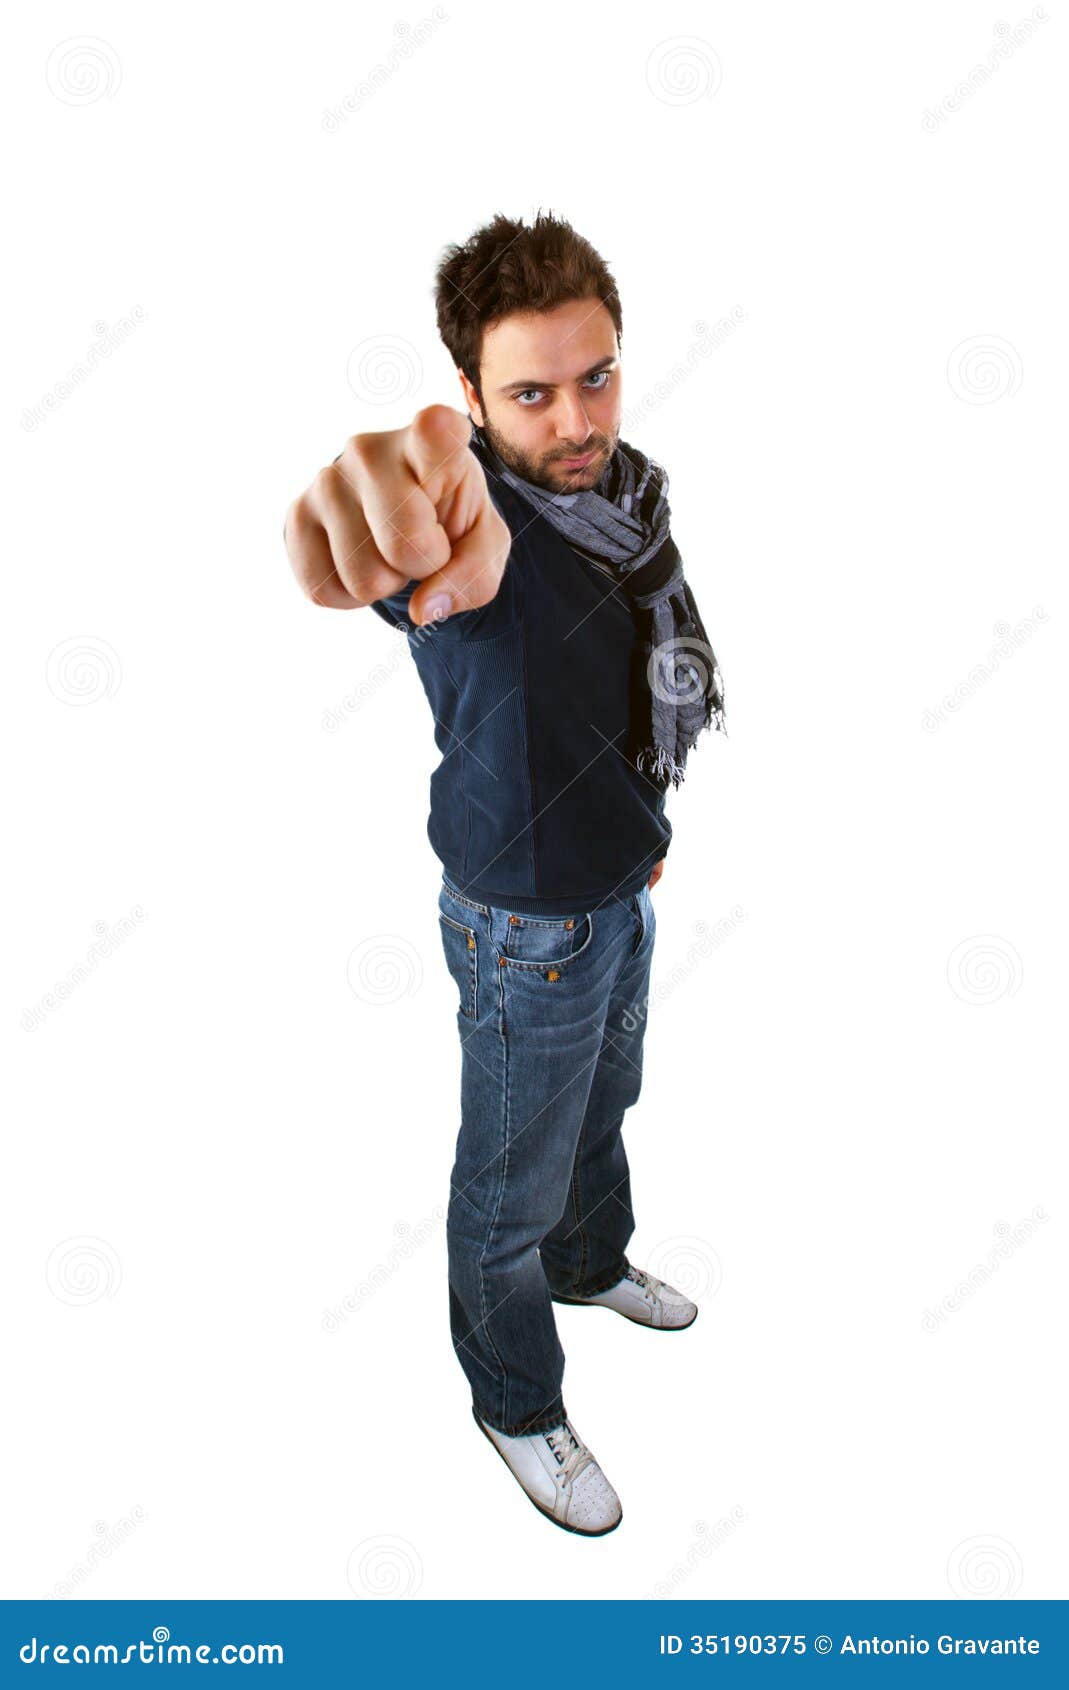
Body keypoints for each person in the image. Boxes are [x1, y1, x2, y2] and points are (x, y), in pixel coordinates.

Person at [283, 212, 725, 1536]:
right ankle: (515, 1400)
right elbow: (389, 537)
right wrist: (375, 508)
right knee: (507, 1181)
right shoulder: (463, 531)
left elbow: (647, 663)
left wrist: (646, 826)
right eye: (528, 393)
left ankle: (590, 1265)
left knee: (604, 1107)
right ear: (467, 399)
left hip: (620, 878)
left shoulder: (627, 495)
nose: (573, 418)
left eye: (593, 376)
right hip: (521, 917)